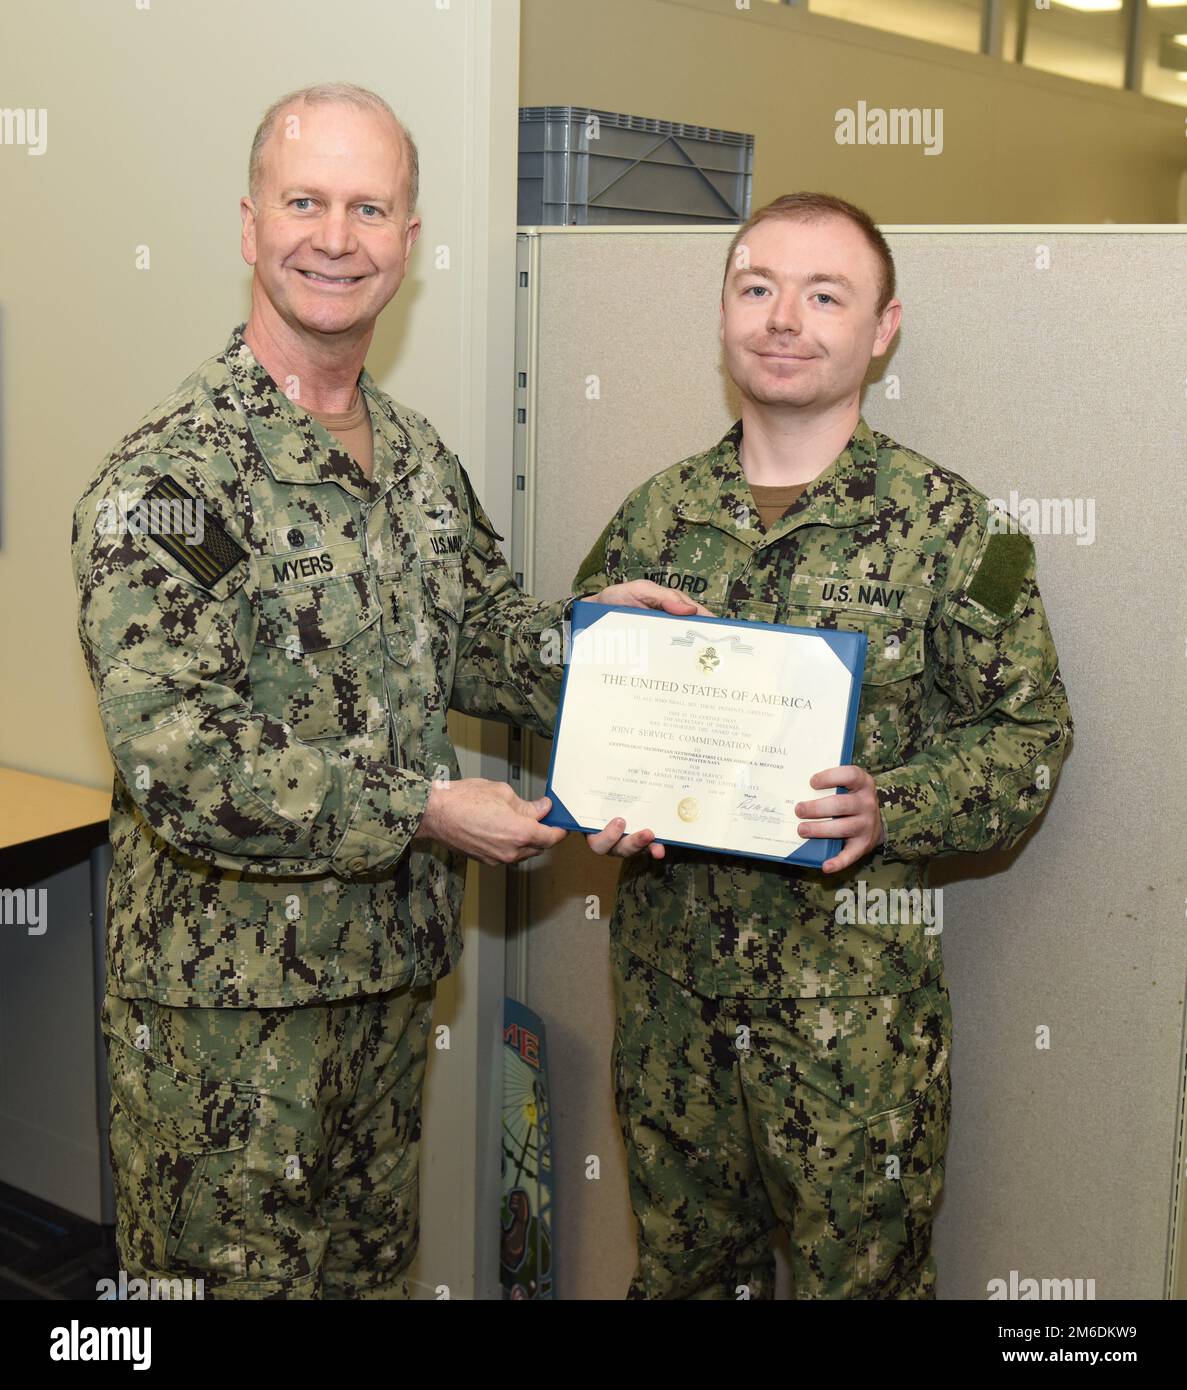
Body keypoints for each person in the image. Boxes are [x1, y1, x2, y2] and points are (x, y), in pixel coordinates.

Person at [70, 82, 700, 1301]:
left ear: (408, 243)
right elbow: (179, 754)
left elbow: (476, 637)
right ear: (249, 223)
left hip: (386, 990)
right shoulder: (169, 477)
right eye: (305, 201)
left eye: (370, 208)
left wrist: (595, 644)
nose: (335, 237)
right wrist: (423, 806)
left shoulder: (411, 457)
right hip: (226, 1025)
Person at [574, 191, 1073, 1300]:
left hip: (853, 1023)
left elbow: (1030, 738)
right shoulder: (650, 520)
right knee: (684, 1278)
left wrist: (896, 804)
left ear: (881, 327)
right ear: (722, 316)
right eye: (756, 289)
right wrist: (597, 795)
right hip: (670, 1008)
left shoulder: (959, 532)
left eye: (822, 294)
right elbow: (588, 717)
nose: (783, 318)